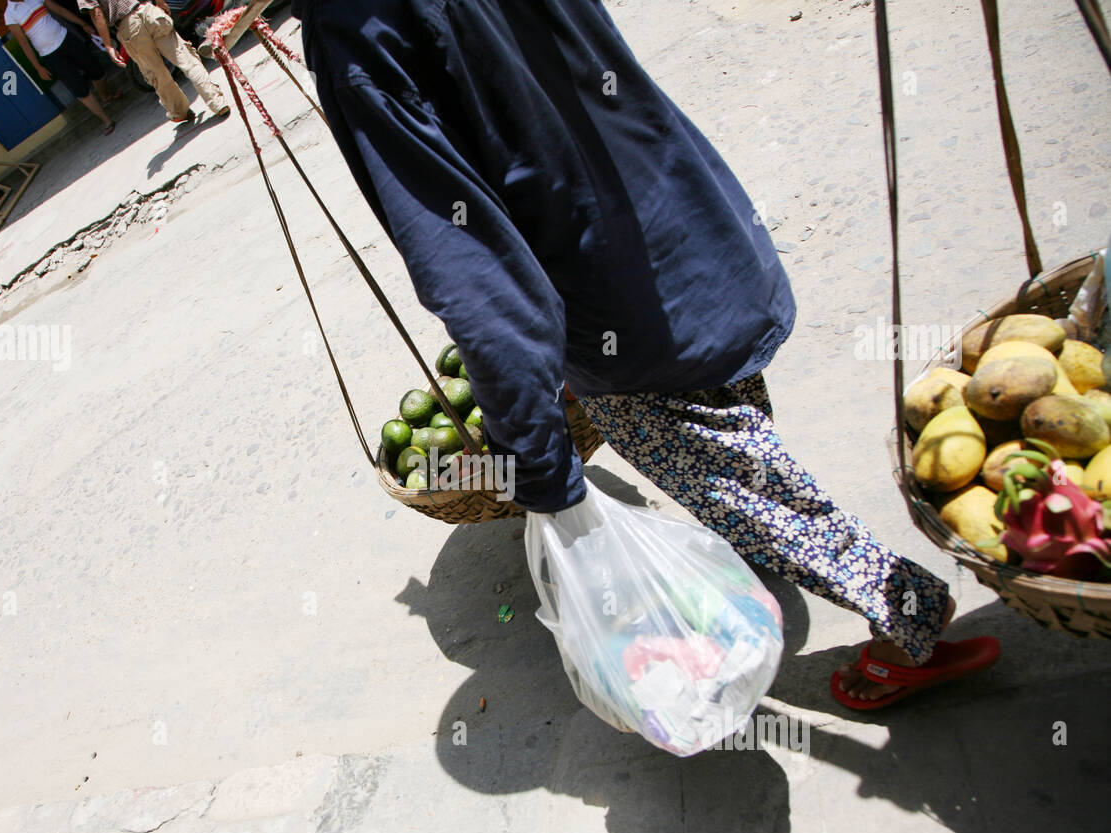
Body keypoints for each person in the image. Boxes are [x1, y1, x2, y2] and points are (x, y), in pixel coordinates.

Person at [293, 0, 1000, 710]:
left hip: (612, 304)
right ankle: (784, 551)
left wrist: (540, 471)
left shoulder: (354, 27)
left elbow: (476, 271)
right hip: (683, 214)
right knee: (732, 431)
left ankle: (911, 616)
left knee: (737, 480)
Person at [78, 0, 230, 124]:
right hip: (148, 11)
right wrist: (161, 3)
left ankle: (179, 111)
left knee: (157, 74)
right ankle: (217, 102)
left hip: (128, 26)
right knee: (186, 59)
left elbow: (97, 13)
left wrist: (108, 45)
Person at [4, 0, 118, 134]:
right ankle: (106, 120)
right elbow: (23, 43)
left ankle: (105, 96)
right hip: (50, 55)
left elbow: (60, 10)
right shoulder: (10, 14)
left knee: (96, 70)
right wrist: (38, 67)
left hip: (66, 38)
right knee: (79, 89)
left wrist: (83, 24)